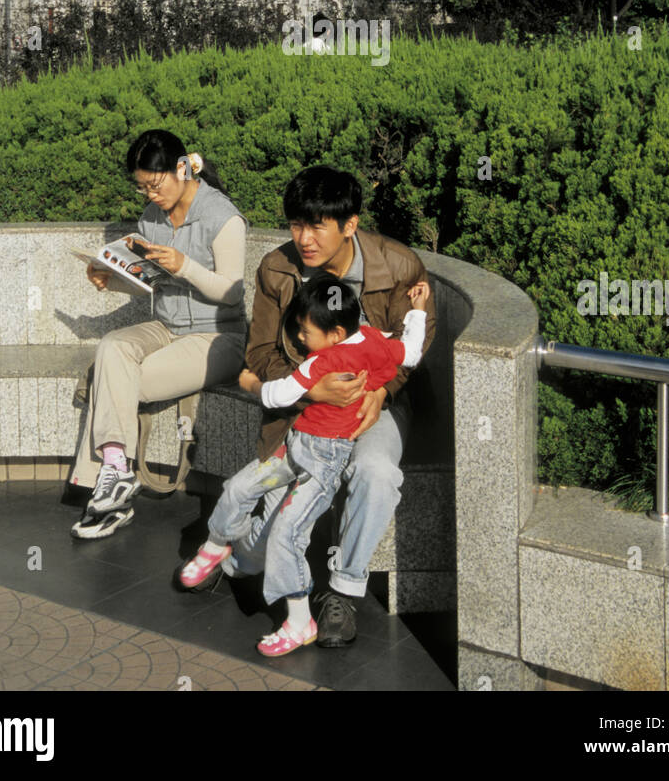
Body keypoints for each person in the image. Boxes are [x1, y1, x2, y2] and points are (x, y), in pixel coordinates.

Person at [220, 165, 436, 648]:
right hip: (306, 412)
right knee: (267, 529)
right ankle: (234, 551)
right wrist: (311, 390)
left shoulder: (398, 267)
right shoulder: (278, 269)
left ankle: (343, 591)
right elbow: (258, 354)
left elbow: (415, 344)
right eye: (297, 224)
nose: (305, 238)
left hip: (377, 404)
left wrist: (381, 392)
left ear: (350, 225)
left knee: (376, 473)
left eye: (318, 225)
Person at [178, 275, 429, 657]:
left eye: (305, 331)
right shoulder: (374, 341)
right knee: (239, 487)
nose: (298, 338)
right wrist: (417, 312)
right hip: (296, 447)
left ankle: (299, 621)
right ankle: (217, 545)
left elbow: (278, 394)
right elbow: (410, 352)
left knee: (286, 534)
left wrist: (249, 383)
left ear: (336, 333)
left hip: (323, 464)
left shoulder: (323, 363)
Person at [69, 129, 247, 539]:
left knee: (117, 380)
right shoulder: (151, 219)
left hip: (217, 335)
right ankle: (116, 471)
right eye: (142, 186)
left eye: (155, 183)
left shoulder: (223, 217)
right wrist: (110, 280)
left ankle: (109, 487)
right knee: (113, 346)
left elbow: (233, 291)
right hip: (167, 325)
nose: (150, 194)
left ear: (181, 168)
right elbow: (150, 282)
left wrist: (185, 265)